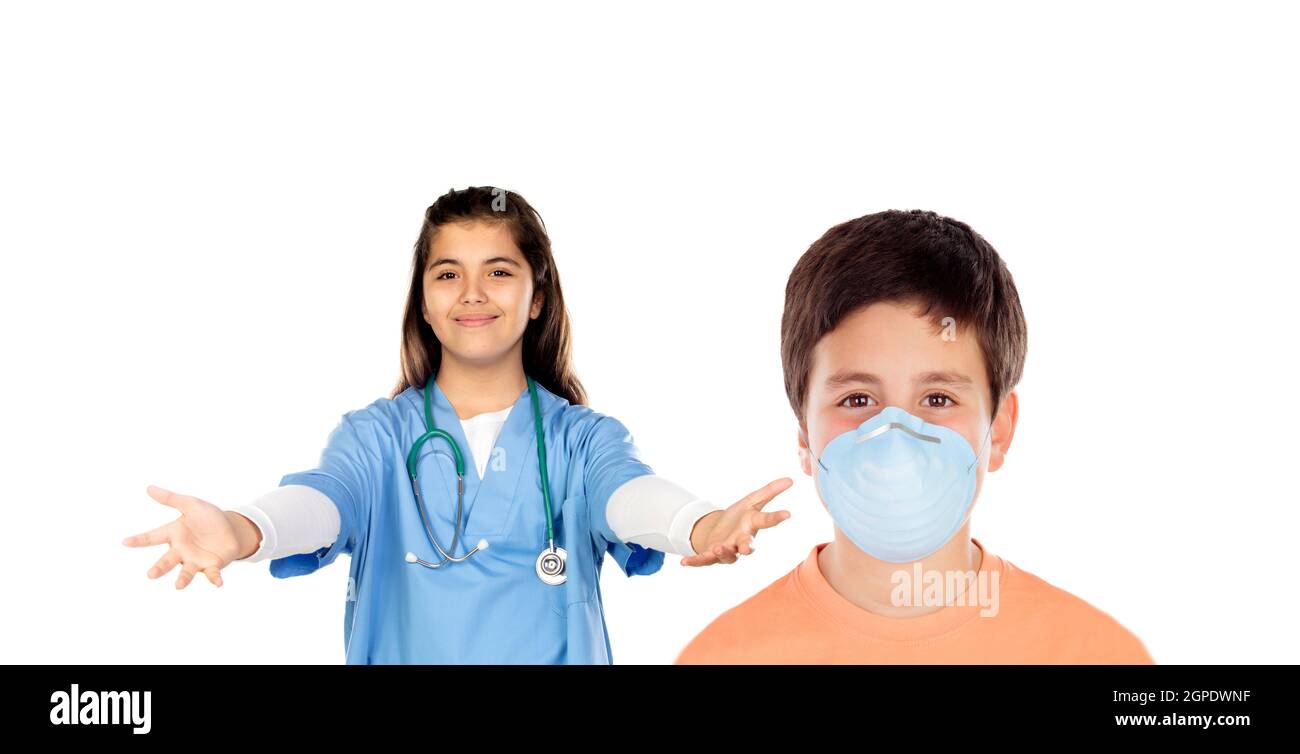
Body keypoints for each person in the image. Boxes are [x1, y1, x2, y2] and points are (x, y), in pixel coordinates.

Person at [123, 186, 792, 664]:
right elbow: (321, 503)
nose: (473, 293)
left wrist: (702, 525)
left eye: (499, 271)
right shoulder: (376, 440)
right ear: (424, 300)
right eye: (448, 274)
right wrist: (245, 530)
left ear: (537, 298)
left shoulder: (581, 441)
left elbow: (626, 496)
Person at [676, 209, 1154, 664]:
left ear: (1001, 428)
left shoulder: (1097, 653)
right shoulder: (720, 657)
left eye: (938, 399)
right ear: (805, 433)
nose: (895, 439)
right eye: (858, 400)